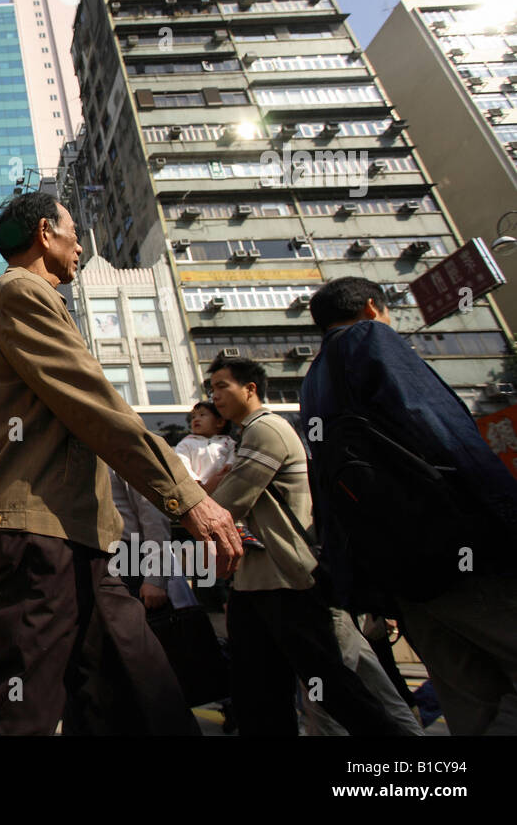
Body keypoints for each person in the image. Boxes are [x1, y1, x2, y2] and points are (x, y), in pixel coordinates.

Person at [0, 192, 242, 736]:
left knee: (139, 690)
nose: (81, 245)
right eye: (73, 231)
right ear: (44, 232)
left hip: (84, 538)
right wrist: (189, 498)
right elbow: (95, 404)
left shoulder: (37, 299)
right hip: (42, 533)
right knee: (15, 709)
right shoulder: (19, 292)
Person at [301, 275, 517, 734]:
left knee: (471, 704)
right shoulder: (370, 337)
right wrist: (506, 512)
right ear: (372, 307)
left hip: (398, 572)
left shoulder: (313, 379)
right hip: (459, 553)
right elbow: (440, 427)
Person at [206, 353, 412, 736]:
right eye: (212, 388)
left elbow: (225, 503)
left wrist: (204, 492)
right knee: (258, 693)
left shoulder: (267, 430)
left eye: (223, 386)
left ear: (250, 389)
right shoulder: (247, 435)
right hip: (256, 583)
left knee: (333, 688)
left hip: (290, 581)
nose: (215, 396)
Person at [175, 401, 262, 551]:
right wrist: (197, 482)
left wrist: (229, 466)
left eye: (202, 415)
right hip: (200, 493)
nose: (196, 419)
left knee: (231, 512)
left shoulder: (228, 442)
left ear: (220, 422)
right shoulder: (186, 444)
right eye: (193, 416)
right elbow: (181, 464)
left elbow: (234, 457)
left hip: (224, 487)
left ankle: (241, 531)